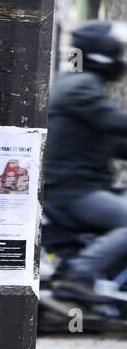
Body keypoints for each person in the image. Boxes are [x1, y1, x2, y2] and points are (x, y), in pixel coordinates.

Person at [45, 20, 127, 307]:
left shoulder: (81, 83)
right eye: (116, 50)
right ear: (101, 52)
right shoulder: (81, 86)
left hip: (78, 185)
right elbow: (115, 122)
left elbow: (109, 140)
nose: (120, 56)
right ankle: (78, 277)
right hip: (71, 191)